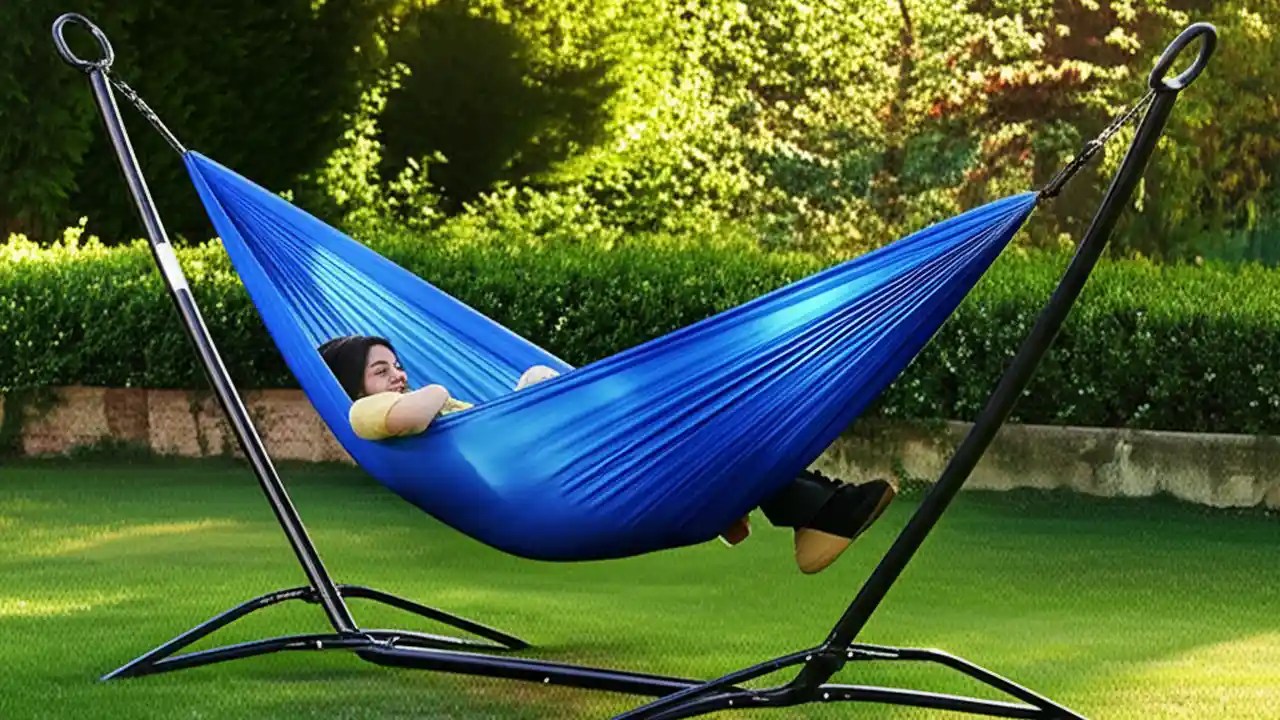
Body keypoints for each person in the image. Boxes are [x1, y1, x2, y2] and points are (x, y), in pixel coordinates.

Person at [319, 334, 895, 573]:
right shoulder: (362, 413)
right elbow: (420, 413)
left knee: (709, 428)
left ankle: (798, 507)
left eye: (397, 364)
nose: (396, 374)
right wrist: (437, 390)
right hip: (538, 476)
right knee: (666, 415)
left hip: (544, 462)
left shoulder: (399, 406)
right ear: (354, 384)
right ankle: (803, 507)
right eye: (381, 369)